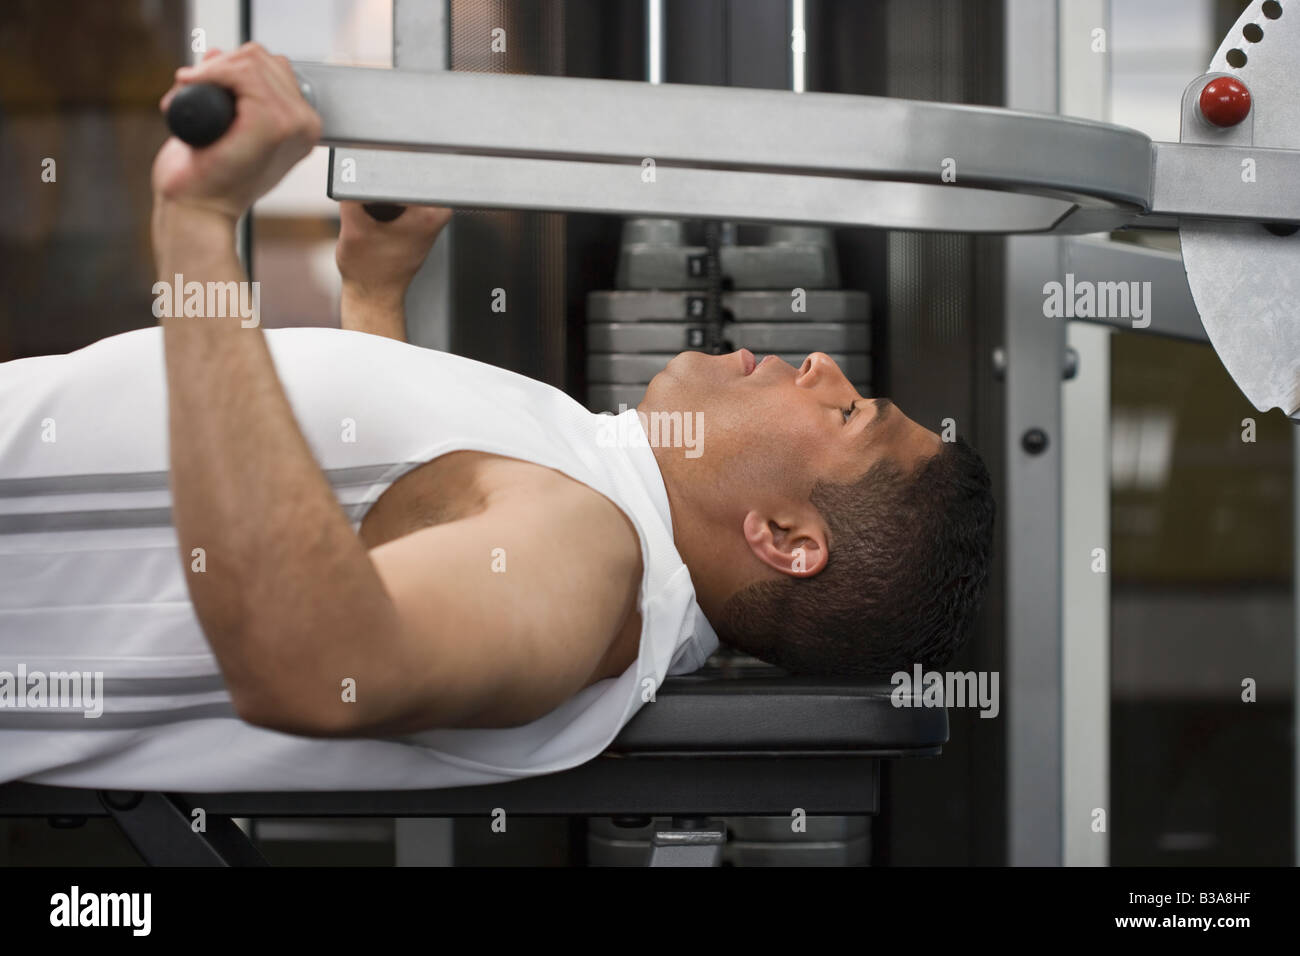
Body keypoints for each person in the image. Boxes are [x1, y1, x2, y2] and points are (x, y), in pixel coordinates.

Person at [0, 45, 993, 791]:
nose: (822, 366)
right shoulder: (600, 501)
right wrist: (372, 292)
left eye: (850, 410)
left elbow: (315, 663)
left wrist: (201, 229)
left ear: (781, 538)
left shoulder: (592, 564)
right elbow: (390, 518)